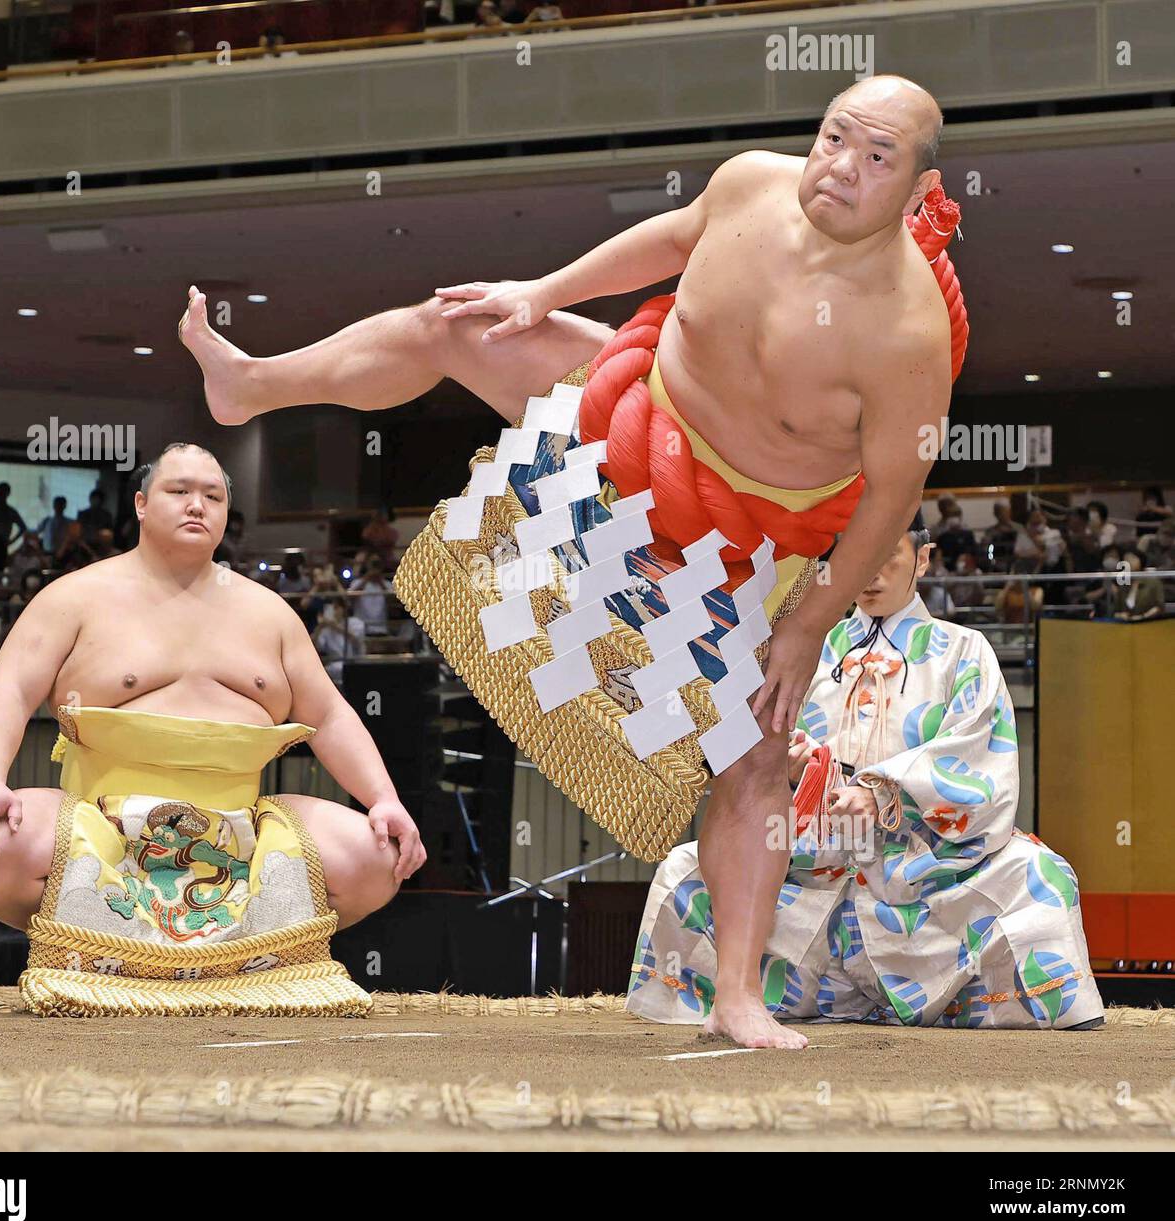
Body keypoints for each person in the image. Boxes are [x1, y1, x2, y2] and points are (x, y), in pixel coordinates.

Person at [180, 75, 957, 1049]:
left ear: (917, 185)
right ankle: (250, 386)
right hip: (631, 413)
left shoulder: (908, 335)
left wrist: (806, 624)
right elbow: (673, 238)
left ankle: (735, 995)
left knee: (754, 764)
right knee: (460, 320)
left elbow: (890, 499)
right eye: (835, 136)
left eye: (876, 156)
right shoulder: (751, 184)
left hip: (751, 539)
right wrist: (541, 293)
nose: (840, 167)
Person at [0, 443, 424, 1014]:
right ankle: (101, 960)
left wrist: (384, 798)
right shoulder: (74, 597)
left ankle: (248, 967)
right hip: (99, 830)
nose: (196, 505)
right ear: (143, 504)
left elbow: (327, 715)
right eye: (179, 491)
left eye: (213, 495)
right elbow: (8, 691)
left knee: (374, 856)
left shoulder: (269, 612)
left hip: (238, 839)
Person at [629, 521, 1105, 1031]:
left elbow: (978, 755)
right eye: (857, 558)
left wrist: (883, 792)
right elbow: (751, 748)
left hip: (920, 863)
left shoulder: (963, 650)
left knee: (1038, 873)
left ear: (923, 559)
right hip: (811, 857)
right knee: (684, 869)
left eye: (889, 555)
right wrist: (785, 765)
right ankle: (731, 999)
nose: (871, 573)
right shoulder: (804, 647)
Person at [314, 598, 366, 685]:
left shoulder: (355, 622)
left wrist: (335, 626)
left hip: (353, 663)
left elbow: (356, 640)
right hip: (333, 666)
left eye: (336, 608)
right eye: (331, 609)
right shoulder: (325, 629)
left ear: (343, 609)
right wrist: (319, 627)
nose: (334, 611)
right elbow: (316, 647)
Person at [1112, 548, 1164, 621]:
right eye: (1125, 560)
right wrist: (1120, 615)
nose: (1128, 562)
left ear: (1141, 560)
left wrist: (1143, 617)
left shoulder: (1153, 583)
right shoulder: (1123, 585)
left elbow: (1159, 607)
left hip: (1149, 624)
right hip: (1125, 627)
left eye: (1132, 559)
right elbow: (1115, 611)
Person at [349, 555, 393, 636]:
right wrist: (366, 578)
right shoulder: (357, 582)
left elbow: (392, 602)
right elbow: (349, 598)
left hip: (381, 629)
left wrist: (380, 581)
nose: (375, 568)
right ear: (367, 565)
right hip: (361, 629)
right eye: (373, 564)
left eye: (377, 565)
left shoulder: (387, 584)